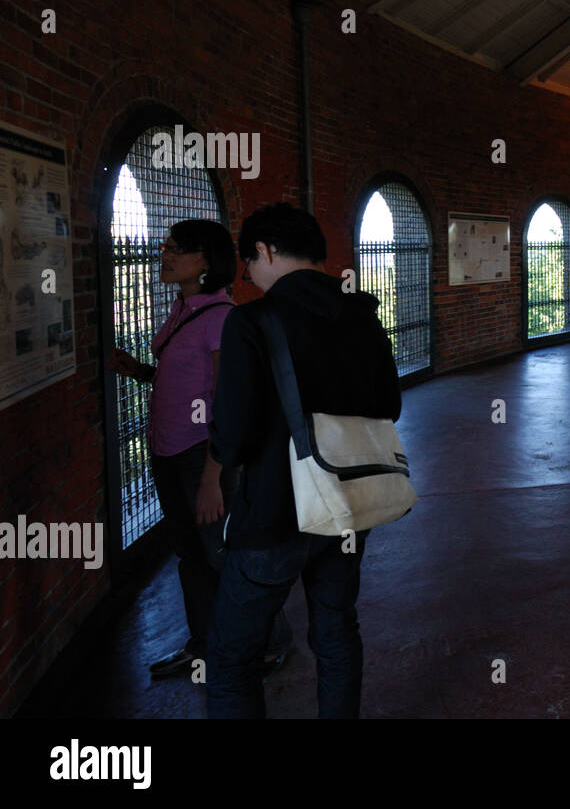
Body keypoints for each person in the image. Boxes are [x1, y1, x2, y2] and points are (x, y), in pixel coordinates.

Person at [206, 203, 401, 718]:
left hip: (272, 514)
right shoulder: (364, 312)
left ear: (266, 251)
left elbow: (233, 437)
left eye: (250, 263)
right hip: (348, 502)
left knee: (231, 659)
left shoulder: (251, 321)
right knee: (336, 631)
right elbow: (390, 406)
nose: (250, 275)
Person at [107, 220, 292, 679]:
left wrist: (213, 477)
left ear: (206, 262)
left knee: (222, 551)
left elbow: (225, 401)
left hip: (200, 457)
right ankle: (204, 643)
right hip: (167, 450)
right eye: (166, 246)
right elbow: (185, 384)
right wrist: (140, 372)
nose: (165, 255)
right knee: (191, 553)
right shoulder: (182, 308)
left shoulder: (222, 318)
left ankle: (272, 637)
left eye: (178, 249)